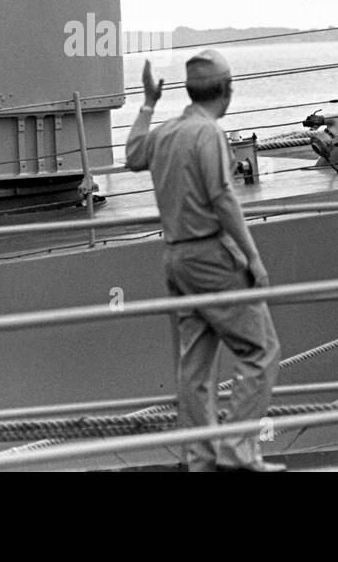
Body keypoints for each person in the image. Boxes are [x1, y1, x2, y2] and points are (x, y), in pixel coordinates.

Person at [125, 49, 282, 472]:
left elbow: (133, 155)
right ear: (226, 92)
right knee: (261, 351)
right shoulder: (208, 133)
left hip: (175, 258)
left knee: (194, 364)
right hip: (210, 256)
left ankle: (201, 458)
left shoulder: (169, 131)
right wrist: (253, 257)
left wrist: (148, 103)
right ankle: (236, 451)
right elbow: (223, 197)